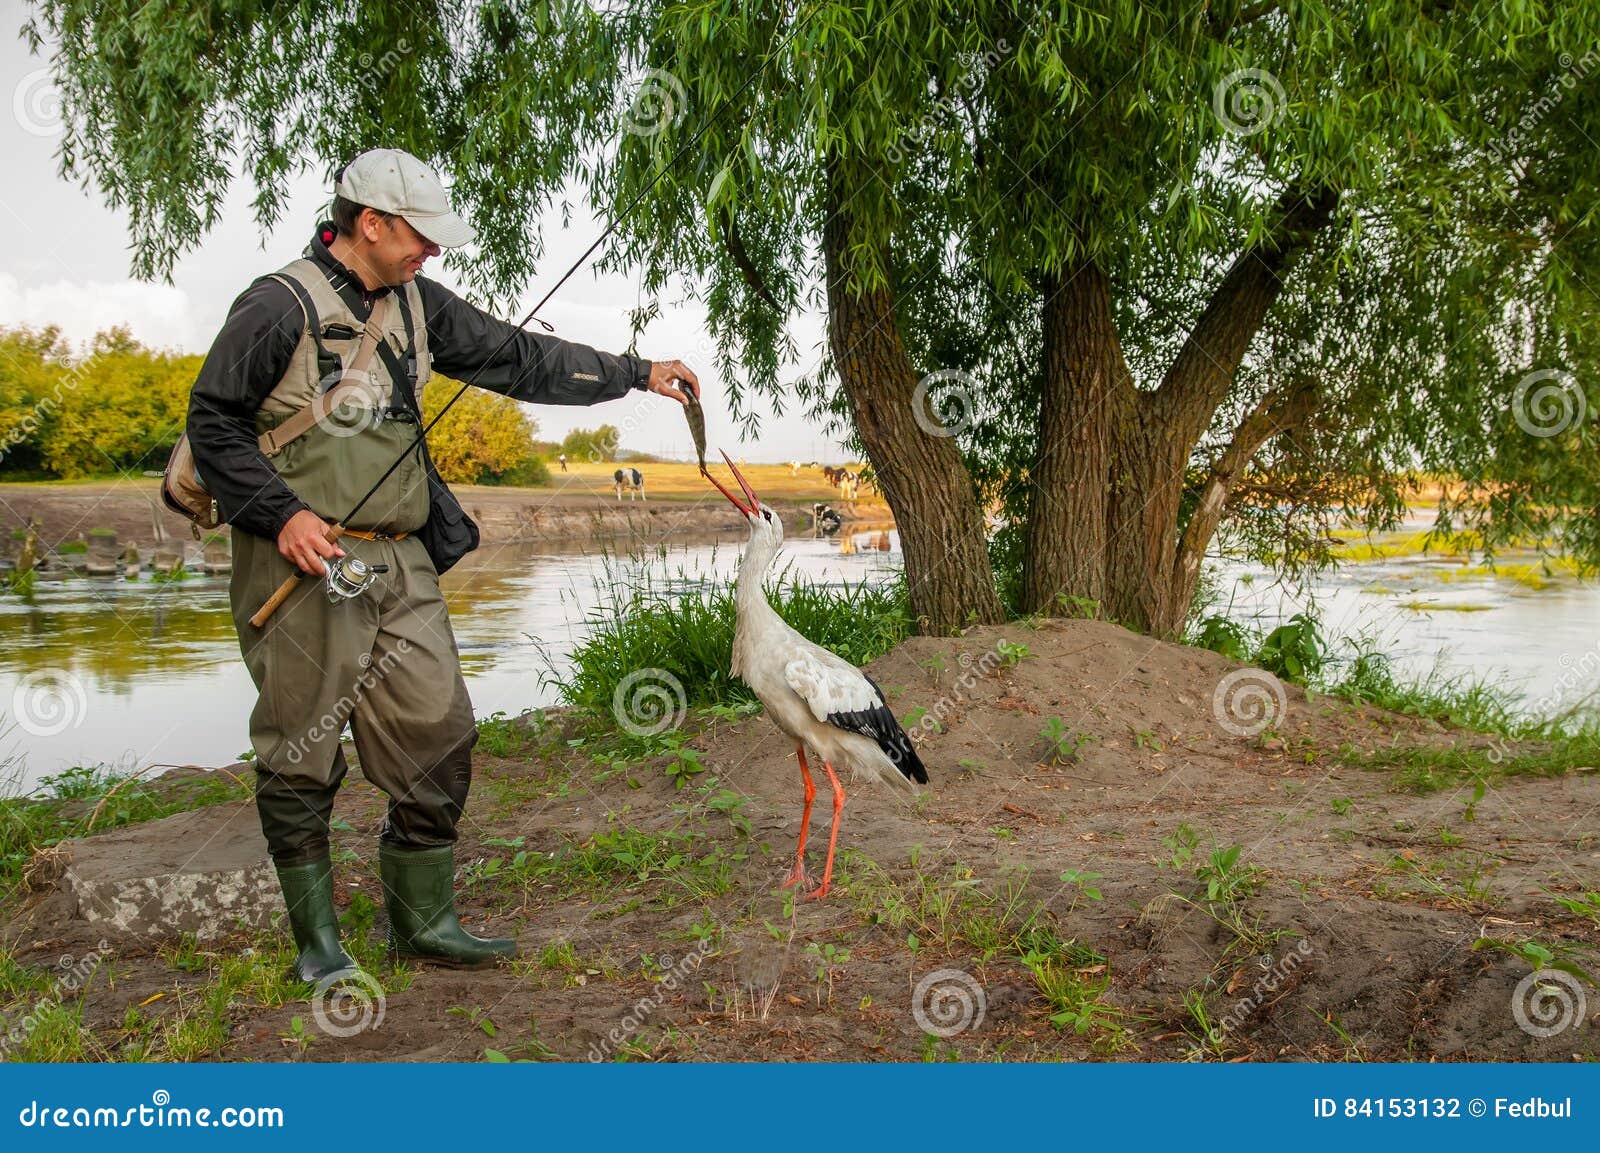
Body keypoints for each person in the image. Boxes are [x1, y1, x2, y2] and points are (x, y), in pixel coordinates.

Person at [186, 148, 700, 979]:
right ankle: (318, 948)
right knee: (300, 751)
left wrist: (639, 373)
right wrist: (281, 516)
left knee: (442, 731)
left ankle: (424, 925)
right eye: (421, 237)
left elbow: (519, 357)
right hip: (303, 566)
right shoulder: (276, 305)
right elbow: (212, 423)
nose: (433, 251)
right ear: (372, 223)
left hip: (401, 562)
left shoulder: (418, 304)